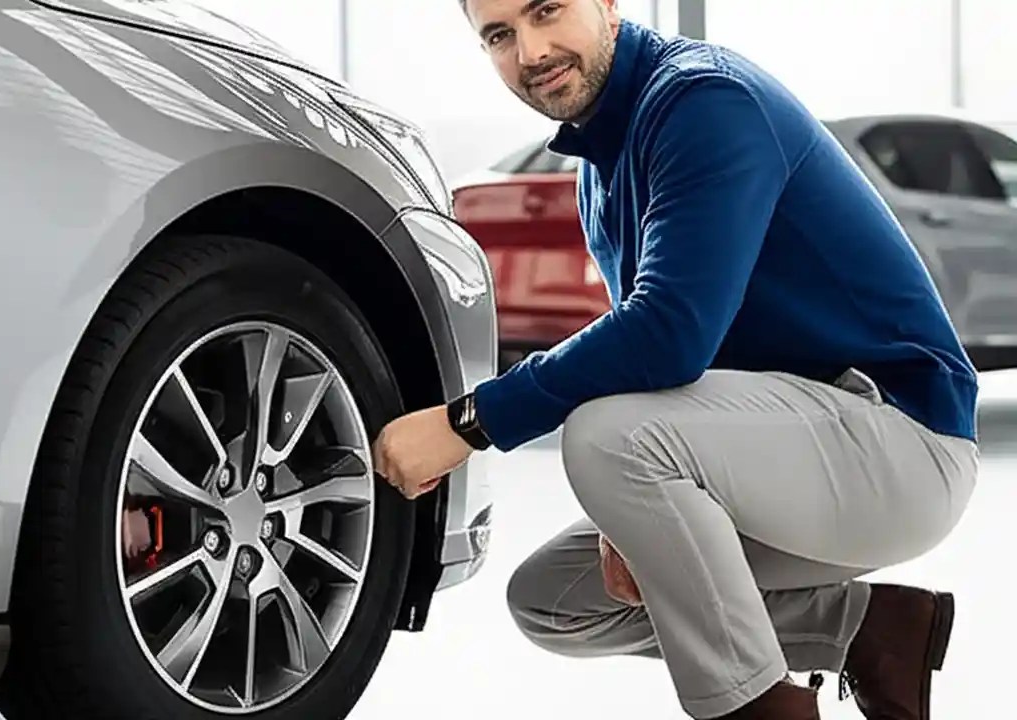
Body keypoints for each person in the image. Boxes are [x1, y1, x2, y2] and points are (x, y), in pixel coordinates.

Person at [371, 1, 980, 718]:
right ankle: (872, 630)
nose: (530, 52)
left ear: (607, 4)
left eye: (547, 10)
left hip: (898, 442)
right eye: (500, 35)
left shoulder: (706, 101)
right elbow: (663, 364)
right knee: (553, 600)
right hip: (787, 453)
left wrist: (470, 423)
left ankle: (758, 710)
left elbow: (670, 333)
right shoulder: (602, 161)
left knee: (607, 436)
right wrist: (631, 513)